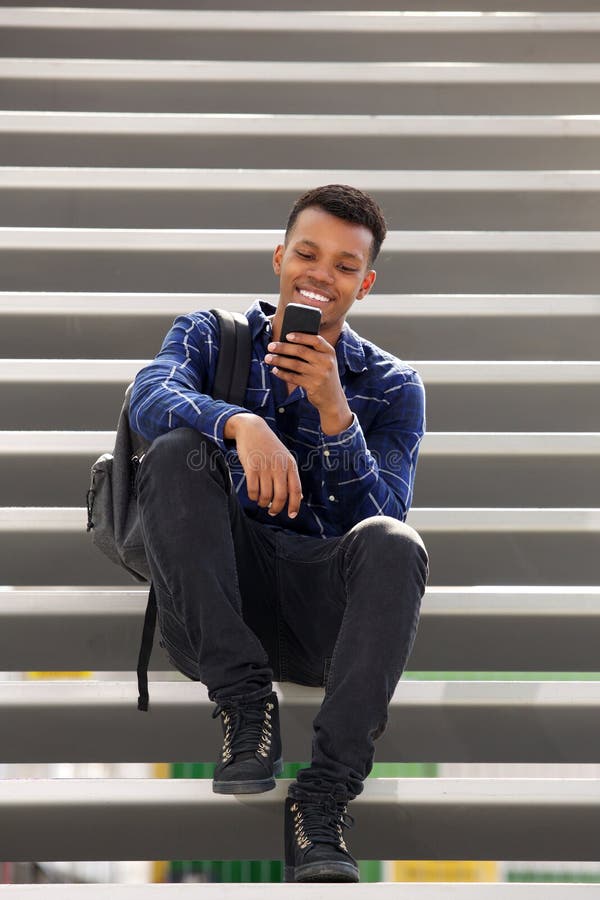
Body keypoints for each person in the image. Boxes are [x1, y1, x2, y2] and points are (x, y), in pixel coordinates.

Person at [129, 184, 429, 883]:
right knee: (174, 451)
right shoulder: (212, 335)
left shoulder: (393, 387)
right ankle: (244, 703)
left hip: (323, 619)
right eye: (307, 254)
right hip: (217, 606)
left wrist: (335, 412)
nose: (321, 275)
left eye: (345, 266)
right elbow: (148, 395)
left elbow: (382, 521)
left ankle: (323, 799)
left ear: (365, 283)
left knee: (397, 545)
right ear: (279, 258)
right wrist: (240, 423)